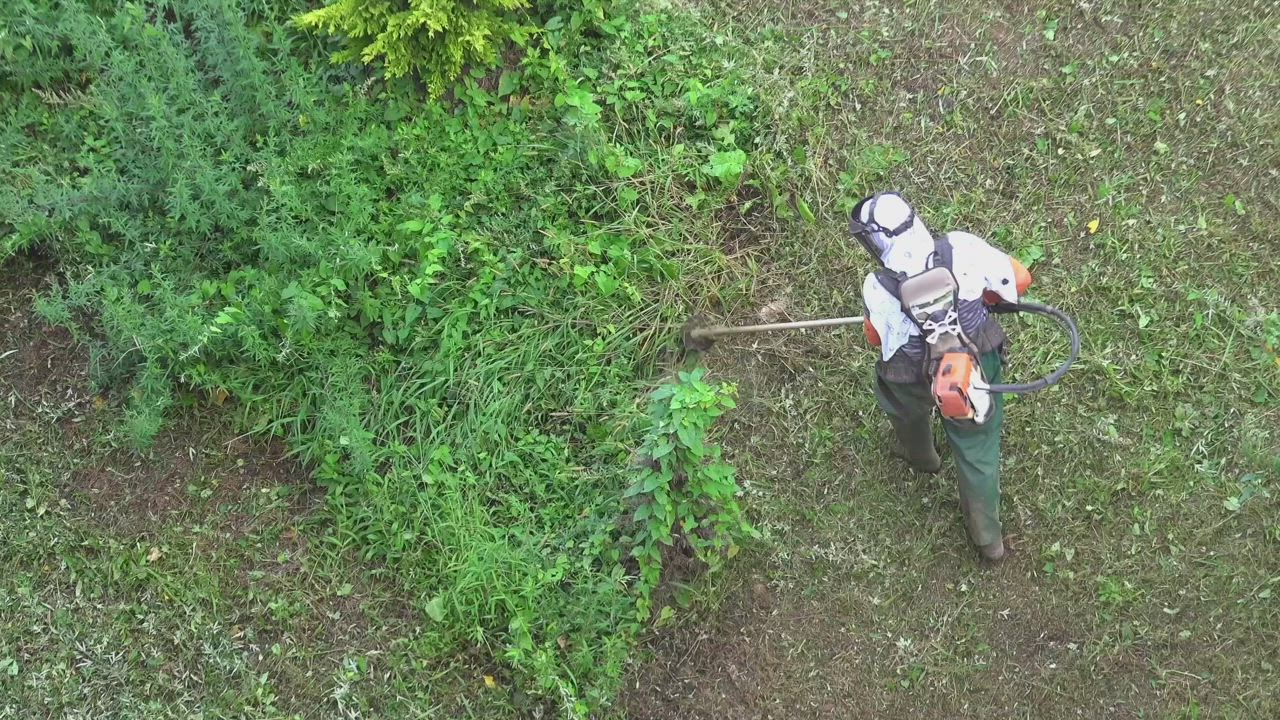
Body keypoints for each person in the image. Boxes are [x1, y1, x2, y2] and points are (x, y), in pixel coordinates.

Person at [851, 192, 1032, 562]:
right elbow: (1021, 279)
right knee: (978, 446)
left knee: (904, 410)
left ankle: (921, 456)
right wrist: (985, 299)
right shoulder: (961, 246)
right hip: (974, 362)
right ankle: (988, 541)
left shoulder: (877, 285)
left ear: (873, 240)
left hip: (908, 372)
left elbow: (874, 338)